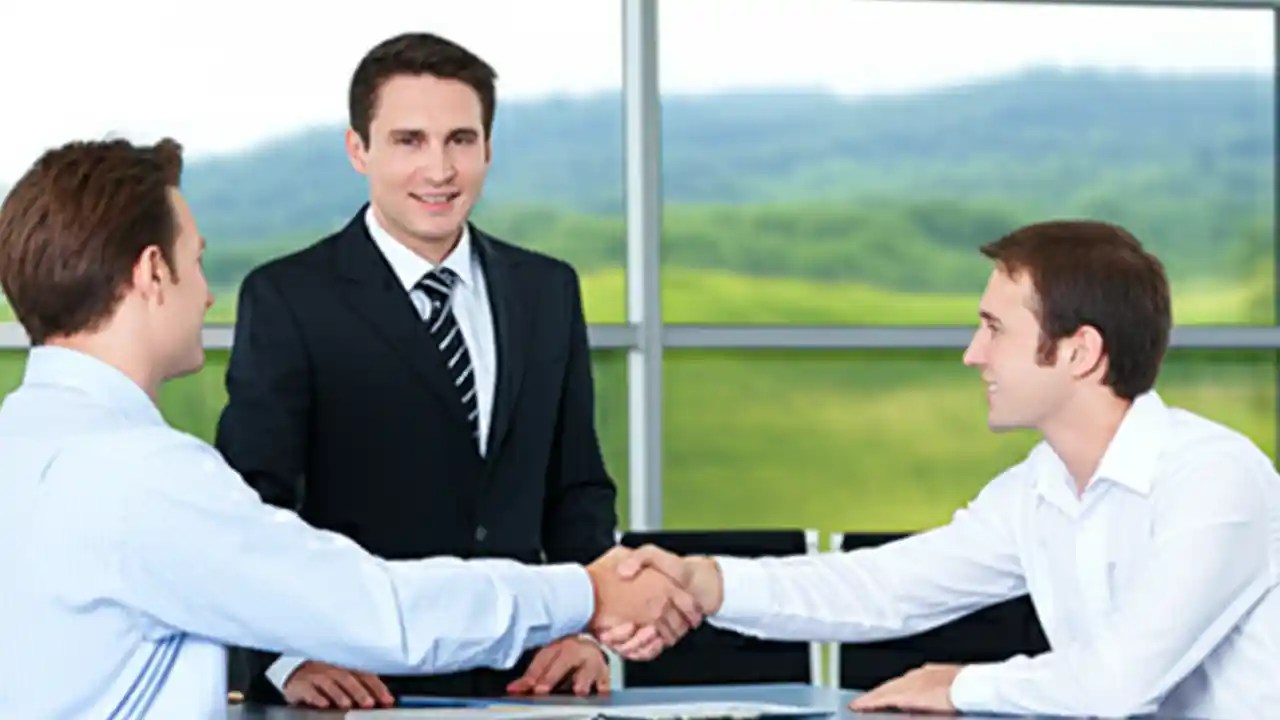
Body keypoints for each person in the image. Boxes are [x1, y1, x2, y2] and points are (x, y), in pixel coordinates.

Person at [0, 138, 696, 719]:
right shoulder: (143, 477)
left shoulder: (21, 443)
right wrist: (589, 591)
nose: (207, 293)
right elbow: (381, 613)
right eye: (197, 260)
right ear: (153, 272)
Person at [610, 220, 1280, 719]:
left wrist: (958, 685)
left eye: (995, 329)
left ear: (1080, 352)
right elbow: (884, 587)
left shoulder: (1215, 479)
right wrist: (706, 583)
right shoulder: (1035, 490)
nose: (972, 354)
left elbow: (1120, 681)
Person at [213, 31, 624, 708]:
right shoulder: (289, 297)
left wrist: (584, 629)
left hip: (525, 684)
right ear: (358, 150)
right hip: (357, 684)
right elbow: (254, 507)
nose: (439, 169)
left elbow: (577, 488)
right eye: (409, 141)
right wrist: (286, 658)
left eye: (460, 140)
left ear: (488, 148)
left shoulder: (546, 290)